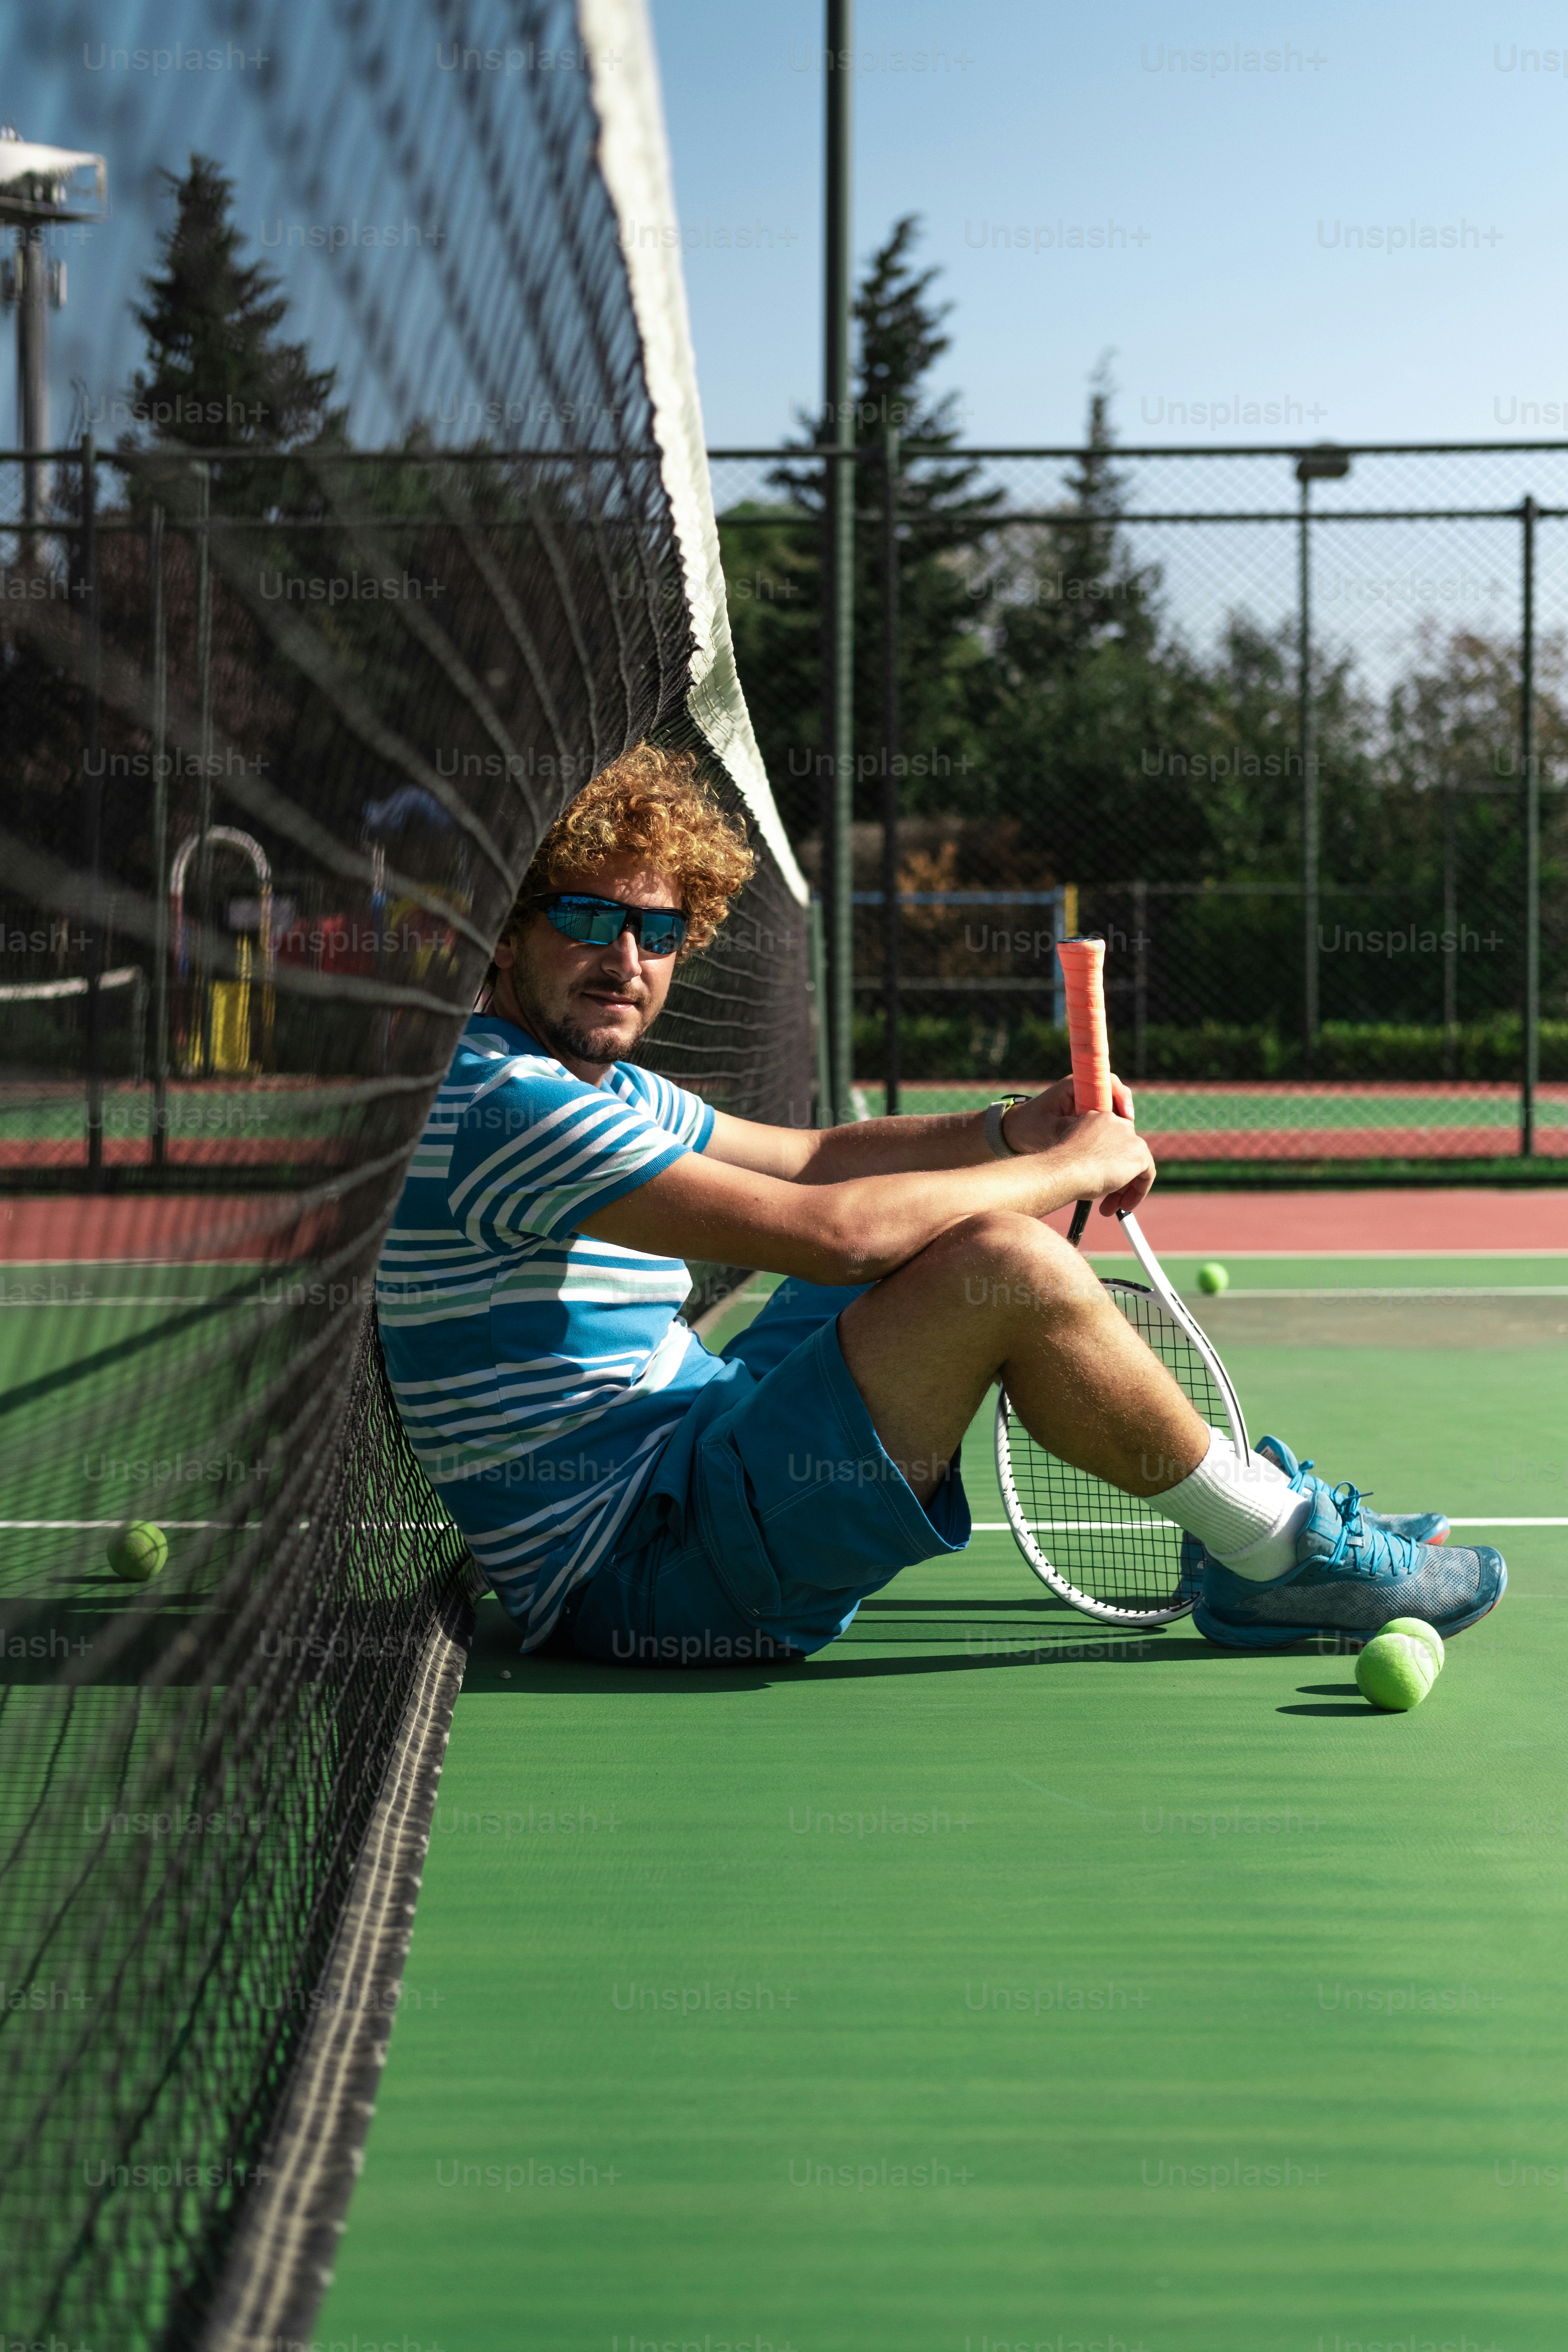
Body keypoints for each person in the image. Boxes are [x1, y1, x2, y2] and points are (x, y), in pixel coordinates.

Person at [376, 743, 1505, 1666]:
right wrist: (1074, 1166)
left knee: (953, 1231)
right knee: (1001, 1264)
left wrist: (1018, 1127)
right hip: (650, 1571)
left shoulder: (596, 1084)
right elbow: (835, 1234)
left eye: (659, 931)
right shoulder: (505, 1106)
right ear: (505, 930)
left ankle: (1247, 1519)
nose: (628, 958)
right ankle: (1273, 1553)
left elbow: (815, 1160)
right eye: (588, 919)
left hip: (701, 1452)